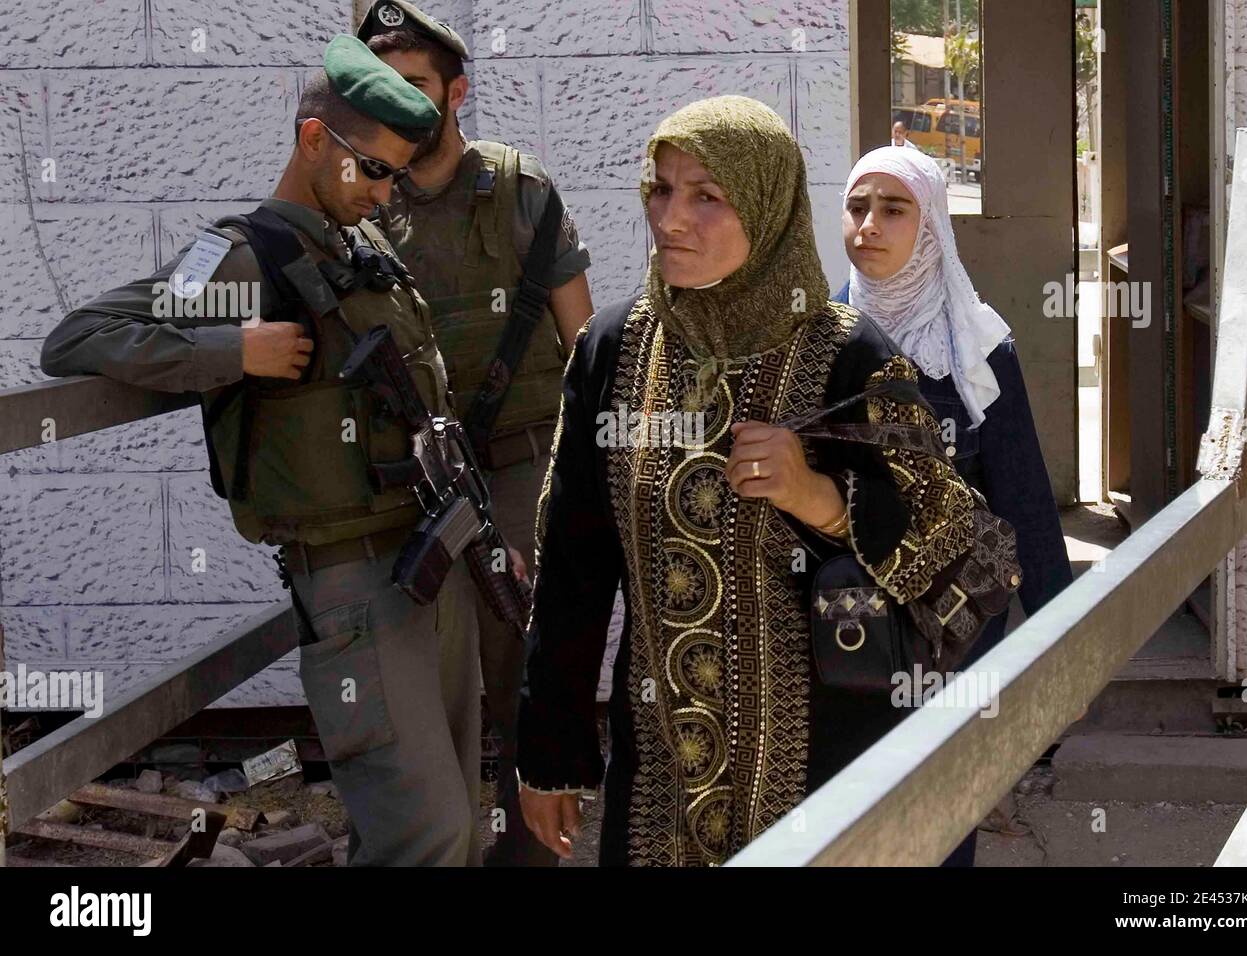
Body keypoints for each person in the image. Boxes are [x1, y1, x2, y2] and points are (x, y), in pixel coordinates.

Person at [39, 36, 490, 867]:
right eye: (373, 168)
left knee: (459, 809)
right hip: (356, 584)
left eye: (397, 173)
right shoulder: (246, 258)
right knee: (427, 836)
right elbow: (78, 337)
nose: (386, 190)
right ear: (314, 140)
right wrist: (230, 351)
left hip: (434, 559)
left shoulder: (365, 251)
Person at [514, 95, 977, 866]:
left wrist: (821, 500)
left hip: (825, 765)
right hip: (662, 766)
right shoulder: (613, 350)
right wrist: (550, 749)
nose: (670, 218)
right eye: (660, 189)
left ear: (767, 205)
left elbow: (962, 551)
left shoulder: (849, 355)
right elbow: (572, 565)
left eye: (706, 196)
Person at [358, 0, 595, 867]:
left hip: (520, 469)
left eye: (414, 86)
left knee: (522, 678)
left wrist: (574, 497)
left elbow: (585, 348)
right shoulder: (362, 205)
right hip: (410, 487)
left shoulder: (520, 192)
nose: (397, 105)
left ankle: (529, 853)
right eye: (379, 88)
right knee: (425, 689)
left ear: (457, 92)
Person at [835, 144, 1074, 865]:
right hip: (848, 622)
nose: (868, 225)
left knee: (943, 812)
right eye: (857, 208)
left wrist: (1065, 645)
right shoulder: (821, 337)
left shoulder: (976, 346)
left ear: (932, 226)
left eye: (894, 209)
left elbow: (1023, 498)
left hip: (958, 624)